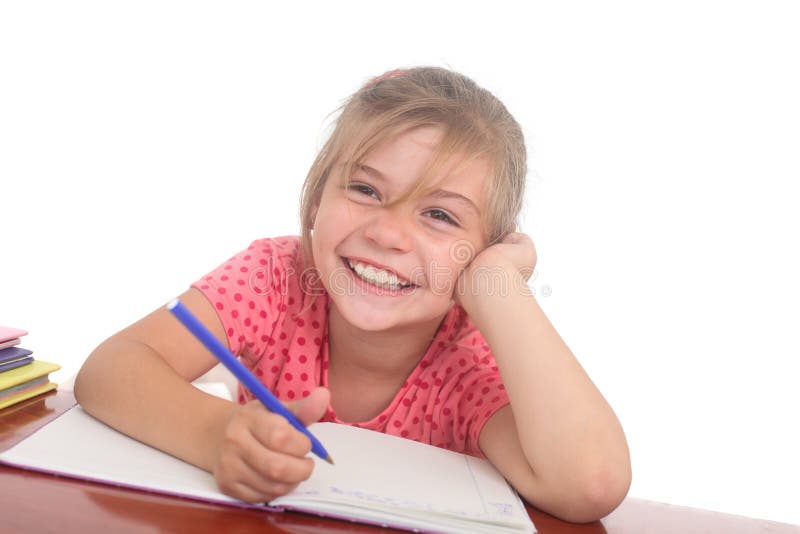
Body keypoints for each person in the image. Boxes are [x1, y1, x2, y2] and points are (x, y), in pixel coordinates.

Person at [74, 66, 631, 523]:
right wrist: (215, 434)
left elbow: (591, 483)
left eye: (438, 215)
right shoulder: (276, 277)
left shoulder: (467, 358)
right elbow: (111, 369)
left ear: (482, 252)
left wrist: (501, 288)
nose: (387, 234)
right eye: (365, 189)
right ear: (316, 200)